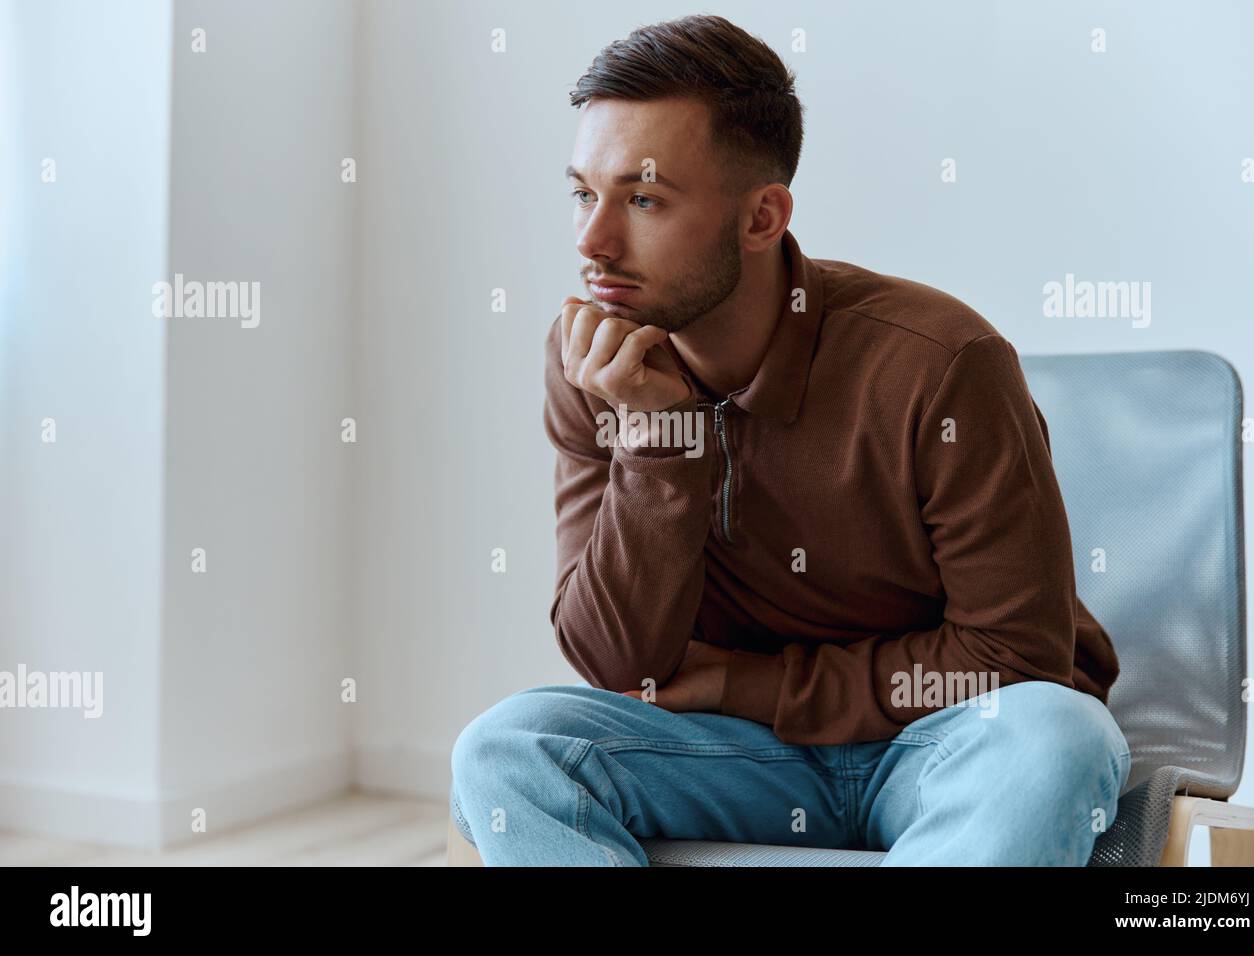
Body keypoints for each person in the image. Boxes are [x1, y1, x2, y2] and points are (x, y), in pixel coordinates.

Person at [450, 13, 1130, 866]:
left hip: (940, 747)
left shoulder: (942, 362)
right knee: (505, 749)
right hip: (740, 759)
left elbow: (1014, 658)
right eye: (585, 193)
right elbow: (616, 659)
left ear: (762, 217)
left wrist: (746, 683)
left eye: (645, 199)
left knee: (1056, 735)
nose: (592, 243)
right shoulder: (594, 361)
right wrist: (660, 440)